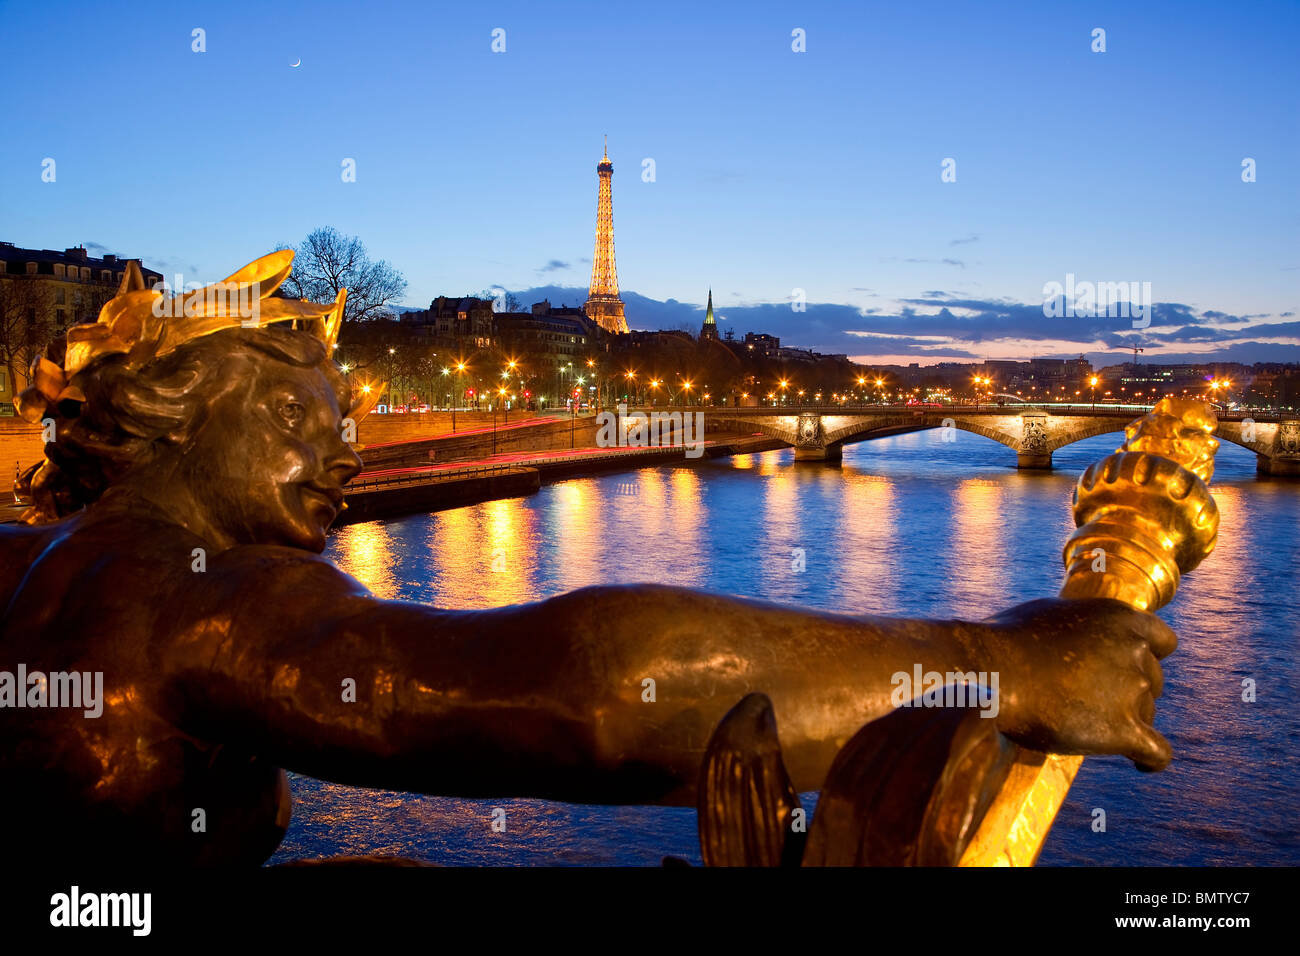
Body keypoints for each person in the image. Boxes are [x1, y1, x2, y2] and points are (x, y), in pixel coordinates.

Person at [0, 255, 1175, 865]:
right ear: (185, 411)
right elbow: (586, 688)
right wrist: (1001, 664)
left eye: (350, 418)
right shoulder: (199, 597)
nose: (347, 449)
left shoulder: (32, 562)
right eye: (305, 416)